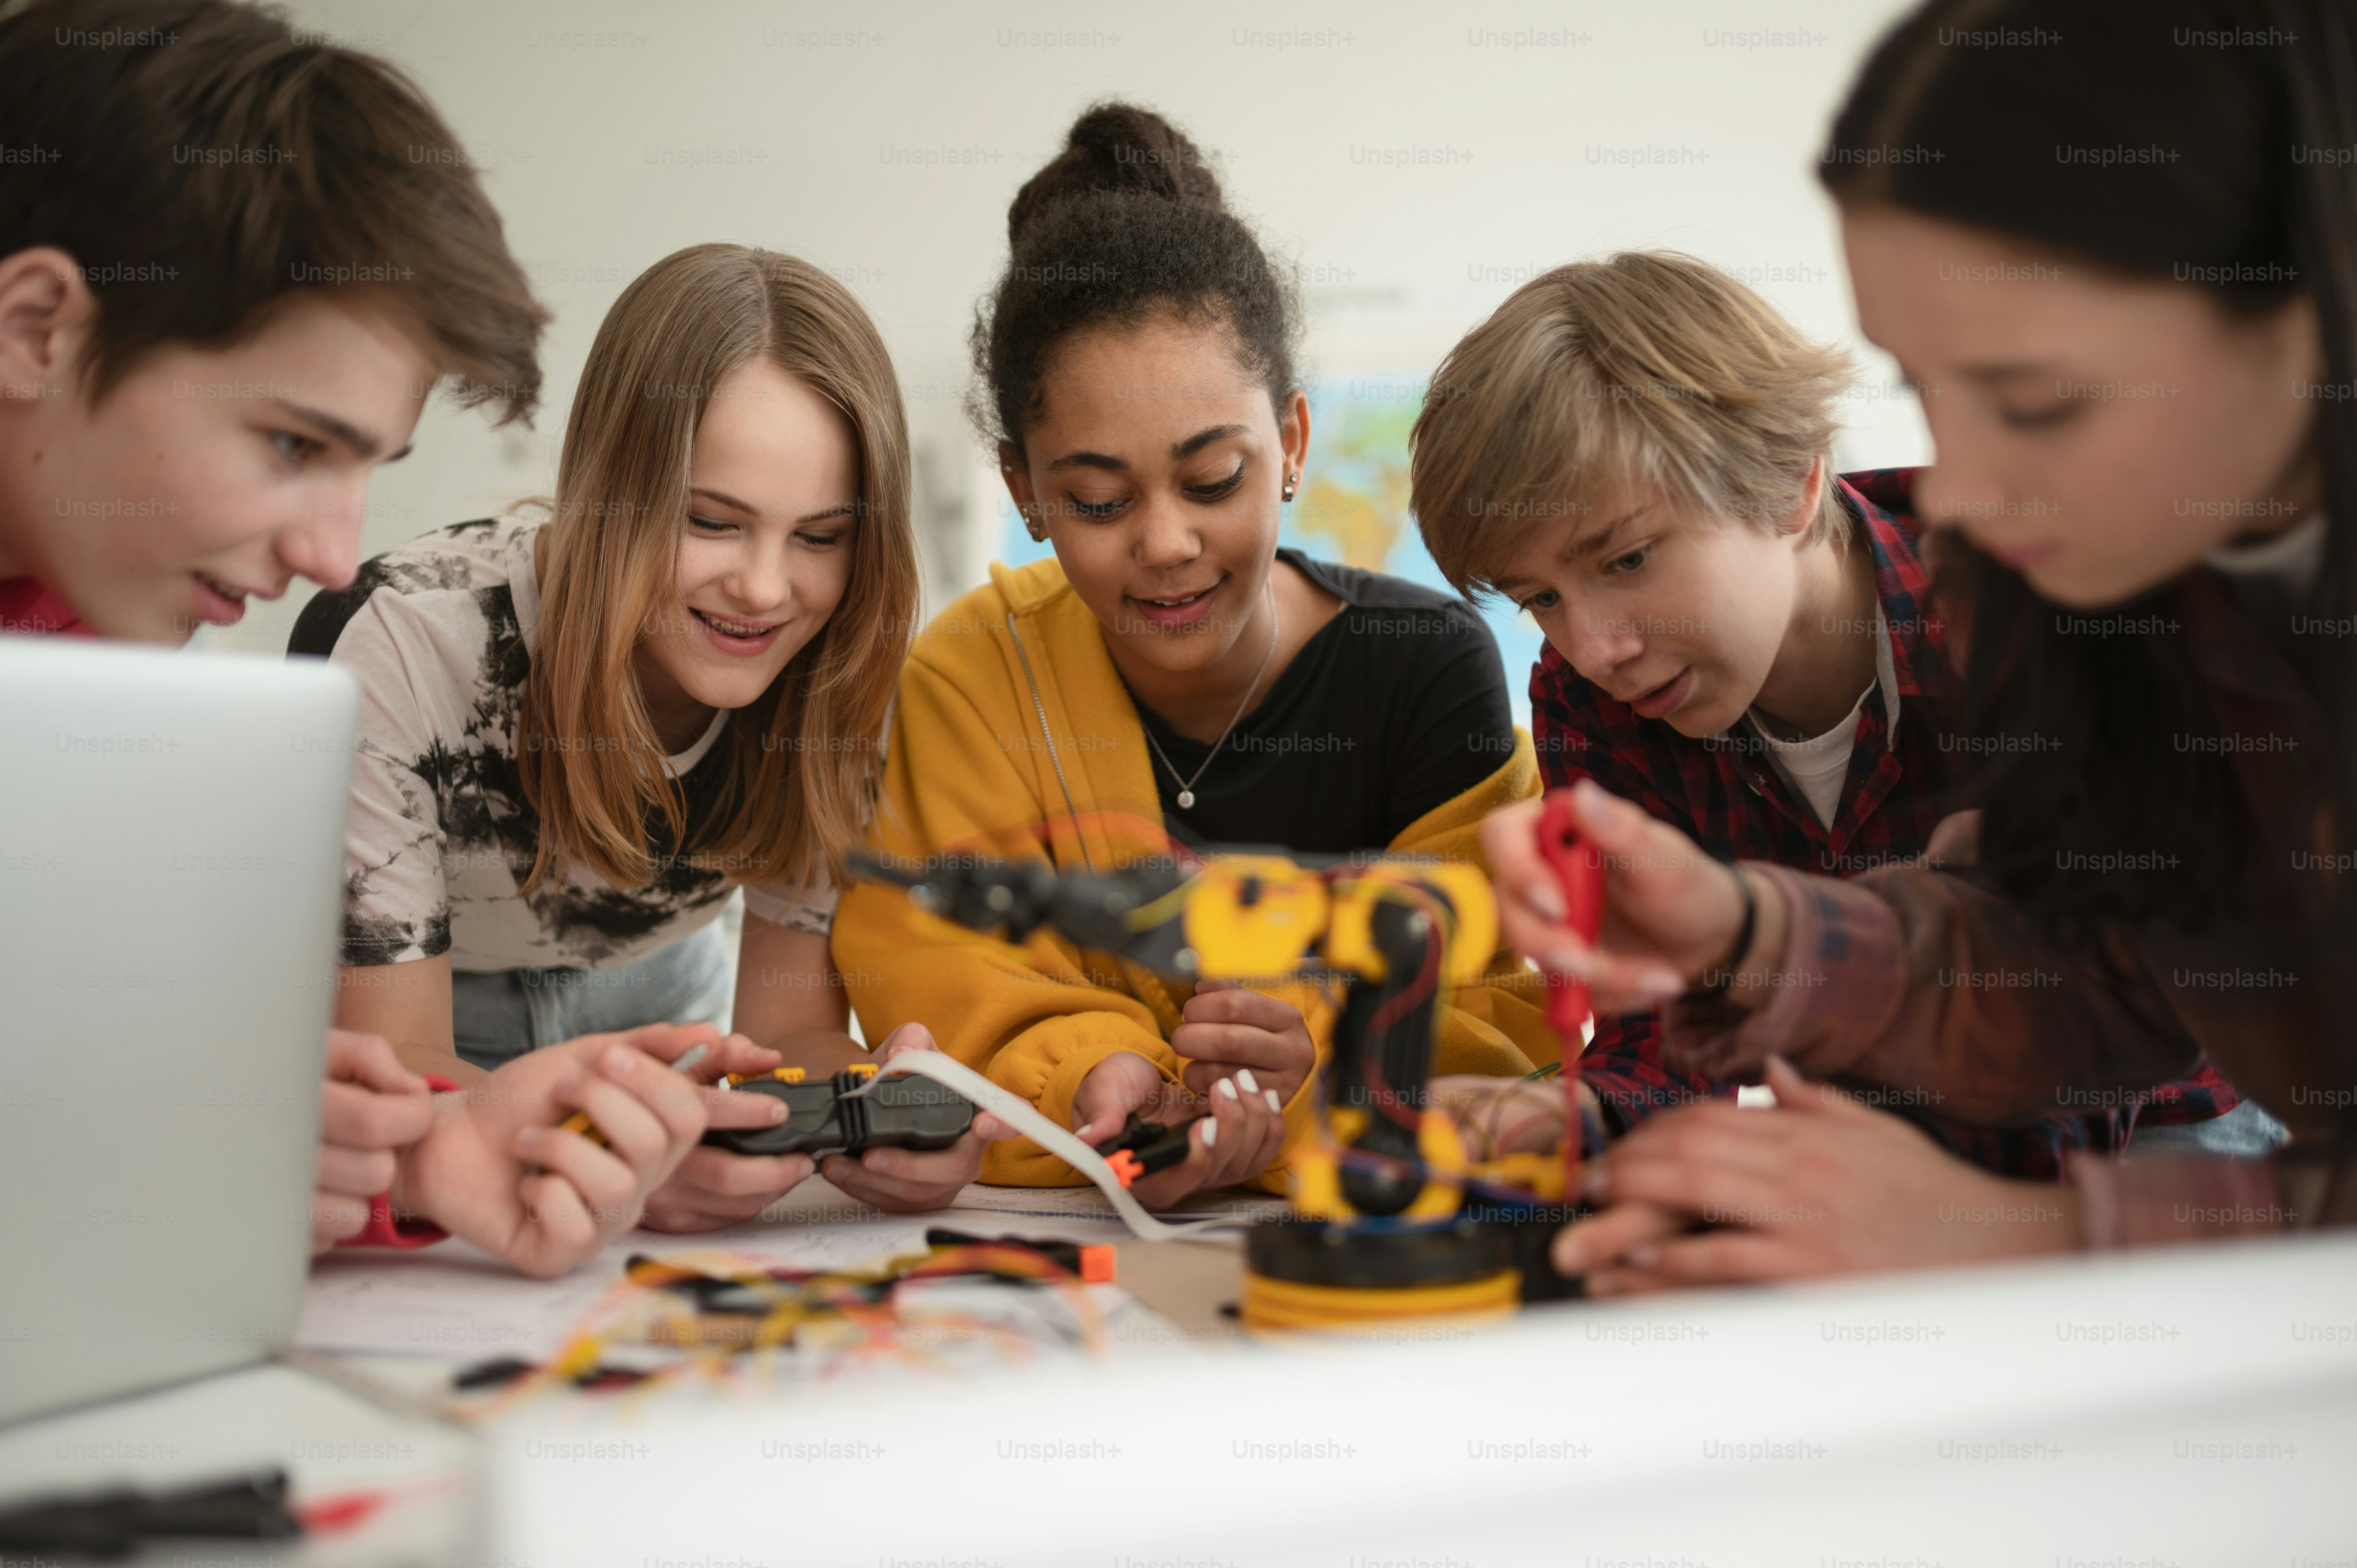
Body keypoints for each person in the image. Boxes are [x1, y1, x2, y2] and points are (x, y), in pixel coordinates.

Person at [1481, 0, 2357, 1291]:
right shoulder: (2128, 591)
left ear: (2308, 305)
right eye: (1925, 389)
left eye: (2032, 401)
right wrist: (1741, 930)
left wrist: (2033, 1235)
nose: (1957, 490)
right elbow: (2083, 959)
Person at [0, 0, 708, 1275]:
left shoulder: (104, 652)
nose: (335, 558)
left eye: (369, 466)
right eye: (291, 444)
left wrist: (423, 1153)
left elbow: (144, 1098)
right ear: (38, 327)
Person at [1406, 250, 2270, 1197]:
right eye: (1540, 598)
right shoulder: (1587, 696)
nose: (1595, 646)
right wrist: (1590, 1117)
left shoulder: (2029, 598)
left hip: (2175, 1120)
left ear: (1790, 483)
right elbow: (1654, 1013)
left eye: (1628, 560)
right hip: (1882, 1153)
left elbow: (2079, 1027)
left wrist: (1867, 1200)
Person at [831, 103, 1557, 1206]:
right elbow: (940, 980)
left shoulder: (1423, 667)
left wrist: (1316, 1063)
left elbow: (1507, 1018)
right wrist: (1101, 1080)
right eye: (1097, 498)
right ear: (1025, 492)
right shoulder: (972, 676)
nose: (1166, 543)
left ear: (1293, 443)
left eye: (1214, 479)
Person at [292, 245, 1009, 1228]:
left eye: (820, 536)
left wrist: (865, 1108)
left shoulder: (843, 671)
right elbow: (399, 1068)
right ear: (608, 487)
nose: (764, 589)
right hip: (426, 1024)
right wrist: (611, 1142)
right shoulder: (399, 641)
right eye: (711, 522)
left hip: (664, 1015)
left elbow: (787, 1035)